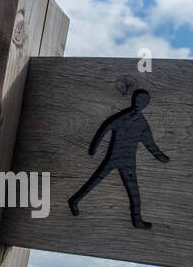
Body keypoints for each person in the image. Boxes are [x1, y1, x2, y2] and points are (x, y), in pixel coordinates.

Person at [68, 89, 168, 228]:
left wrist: (160, 157)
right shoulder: (123, 117)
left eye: (144, 102)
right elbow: (105, 129)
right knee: (94, 181)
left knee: (134, 192)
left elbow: (150, 144)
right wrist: (93, 148)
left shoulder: (142, 124)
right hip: (114, 157)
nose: (140, 104)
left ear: (146, 104)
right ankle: (75, 201)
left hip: (128, 162)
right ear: (134, 100)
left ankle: (137, 220)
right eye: (139, 100)